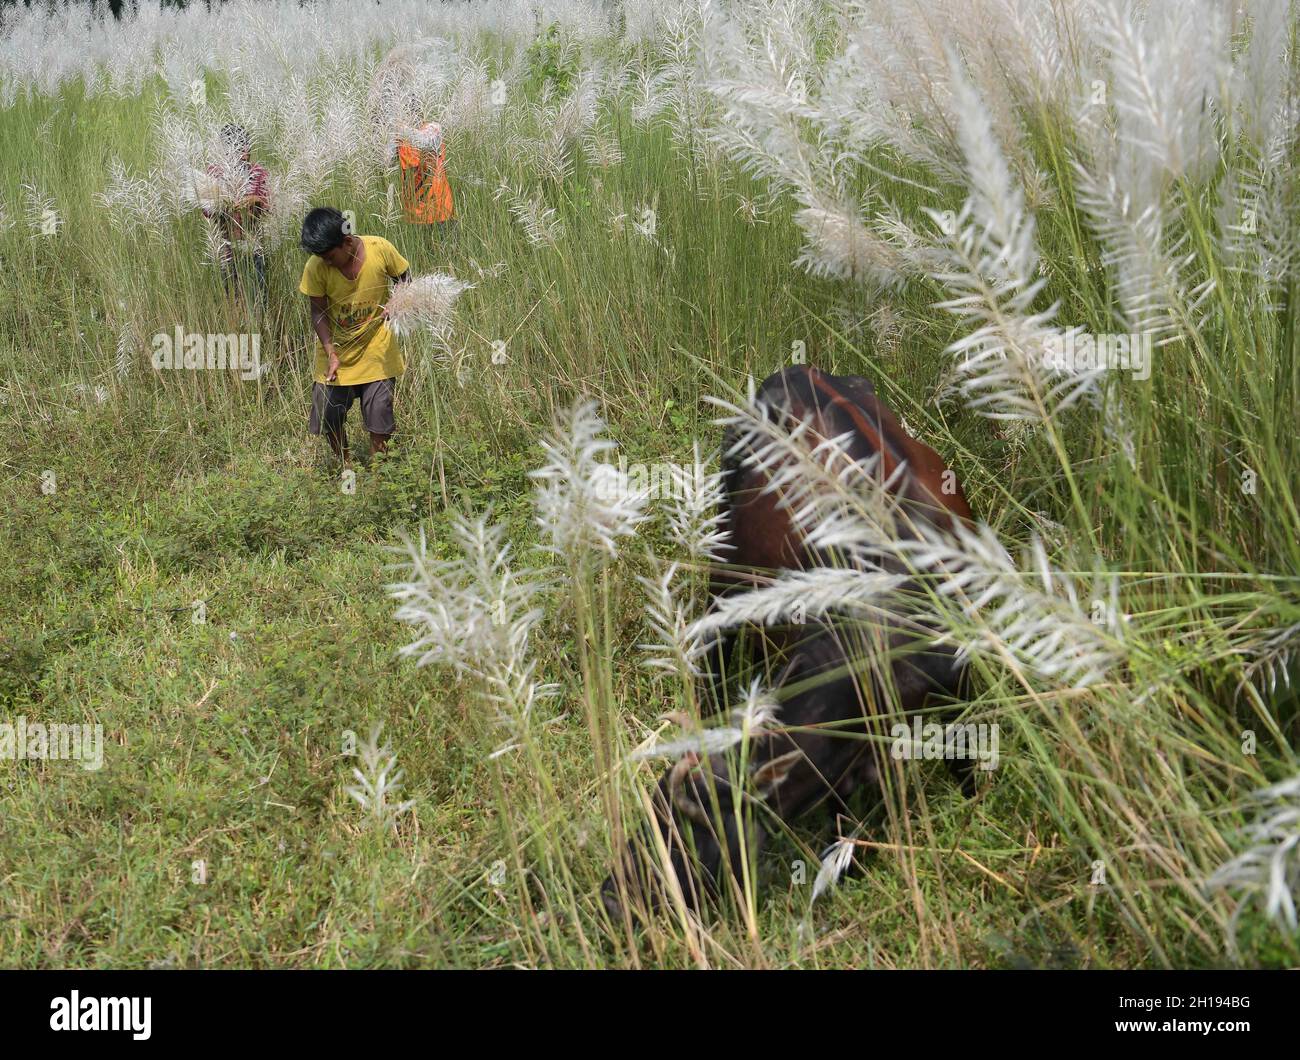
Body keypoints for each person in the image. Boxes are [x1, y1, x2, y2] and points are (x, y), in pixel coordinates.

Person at [298, 207, 411, 464]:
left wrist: (397, 304)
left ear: (347, 242)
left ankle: (378, 477)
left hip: (376, 347)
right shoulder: (316, 267)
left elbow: (405, 278)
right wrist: (331, 353)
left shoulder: (380, 249)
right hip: (336, 350)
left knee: (379, 414)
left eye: (329, 256)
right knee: (329, 411)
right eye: (321, 257)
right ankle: (345, 464)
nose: (325, 262)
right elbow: (318, 312)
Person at [204, 124, 269, 311]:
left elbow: (269, 208)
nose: (245, 151)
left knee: (258, 302)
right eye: (239, 146)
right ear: (227, 149)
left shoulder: (258, 173)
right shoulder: (215, 173)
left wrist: (255, 200)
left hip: (253, 249)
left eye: (247, 145)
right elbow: (207, 212)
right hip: (225, 251)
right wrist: (224, 201)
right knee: (229, 302)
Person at [391, 115, 455, 237]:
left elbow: (426, 142)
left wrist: (400, 129)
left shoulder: (433, 129)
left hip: (440, 213)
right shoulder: (398, 139)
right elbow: (387, 163)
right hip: (412, 217)